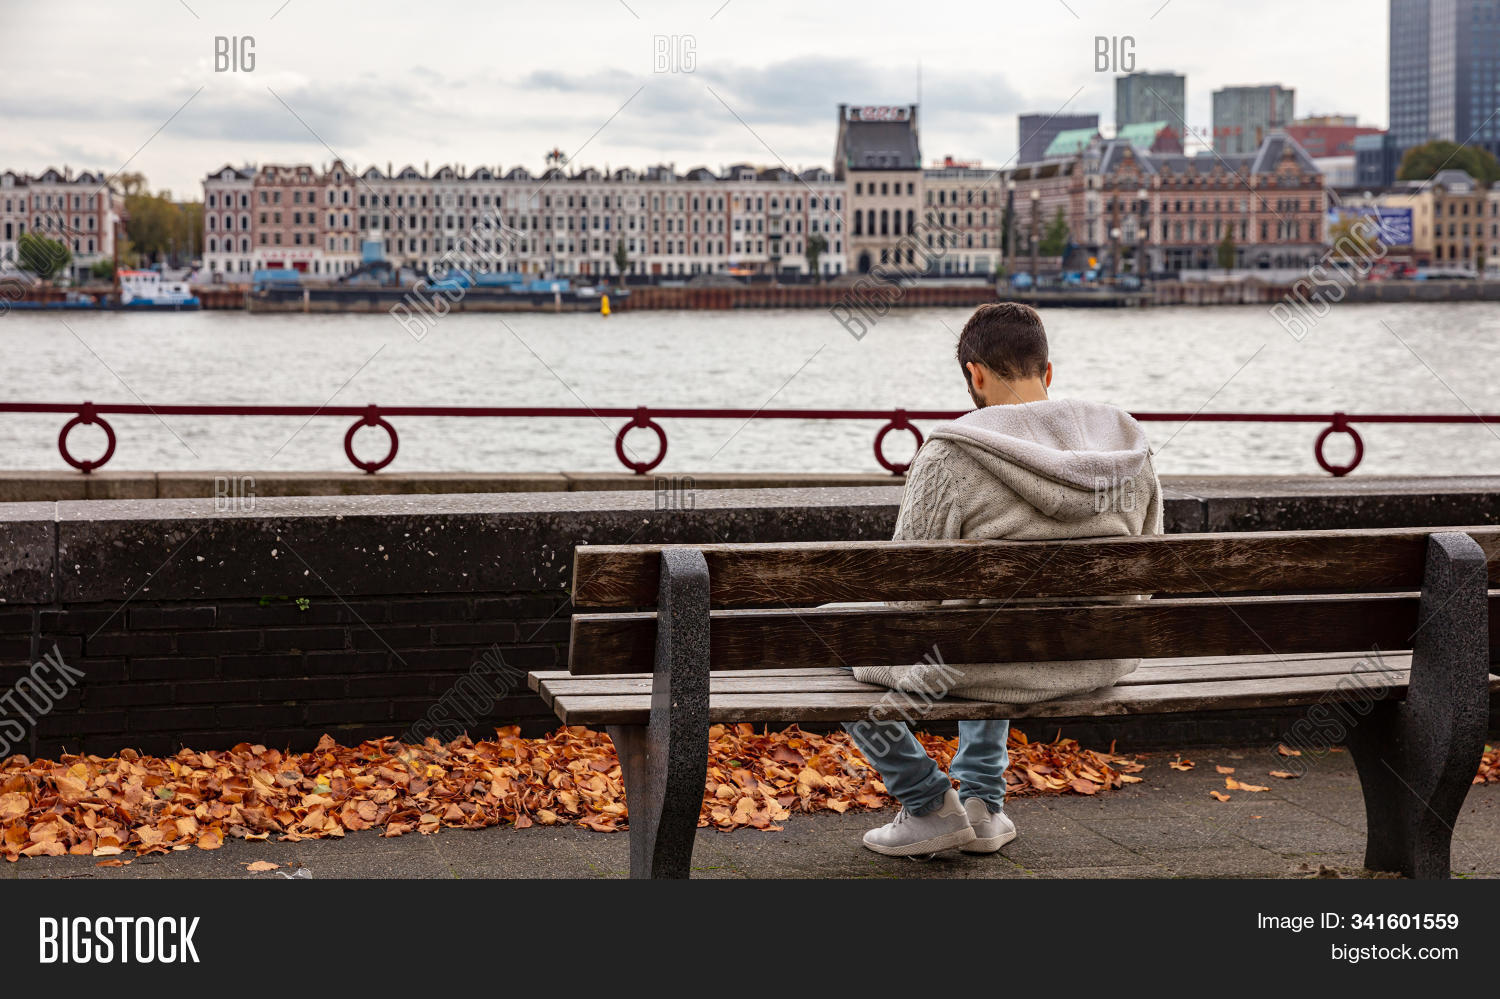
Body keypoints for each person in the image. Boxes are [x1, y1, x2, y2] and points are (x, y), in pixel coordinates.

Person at [847, 301, 1163, 858]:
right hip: (1096, 658)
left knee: (830, 635)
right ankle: (983, 806)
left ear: (975, 375)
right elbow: (1149, 571)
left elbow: (904, 593)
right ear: (1047, 371)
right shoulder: (1125, 448)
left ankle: (925, 805)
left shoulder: (951, 454)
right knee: (985, 626)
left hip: (982, 662)